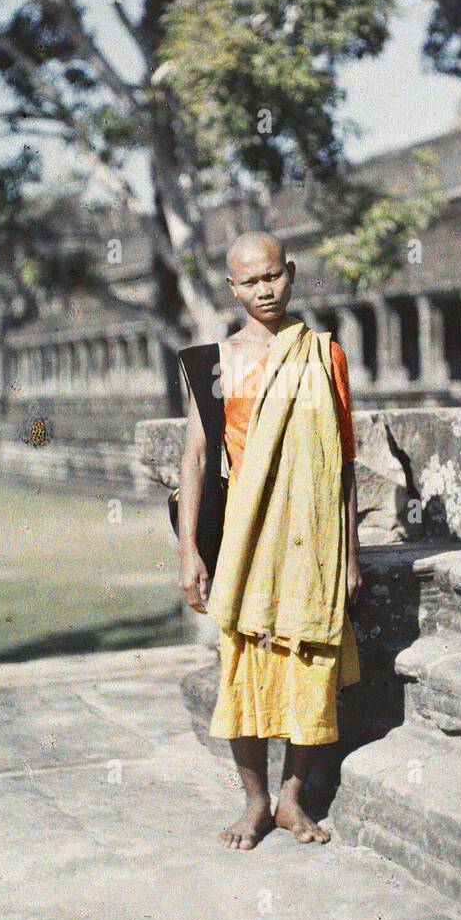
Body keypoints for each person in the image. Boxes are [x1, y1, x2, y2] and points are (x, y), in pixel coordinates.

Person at [177, 232, 362, 850]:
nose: (266, 290)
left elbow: (342, 460)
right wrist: (190, 555)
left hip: (311, 541)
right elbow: (197, 456)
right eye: (250, 281)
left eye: (274, 276)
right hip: (244, 536)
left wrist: (351, 555)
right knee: (242, 663)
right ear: (231, 288)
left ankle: (292, 796)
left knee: (310, 659)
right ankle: (254, 798)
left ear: (292, 272)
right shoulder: (215, 363)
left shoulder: (322, 354)